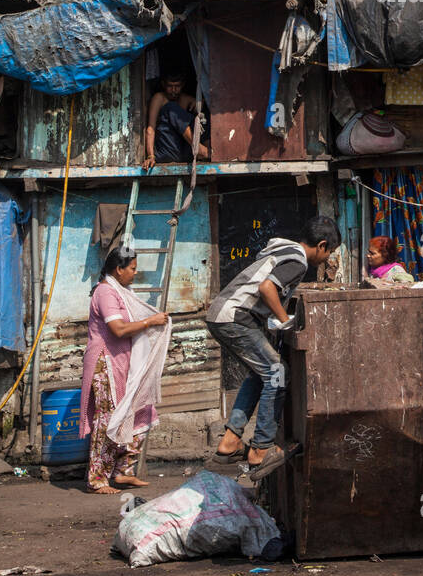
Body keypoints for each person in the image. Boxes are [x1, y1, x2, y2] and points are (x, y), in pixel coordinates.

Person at [205, 216, 340, 481]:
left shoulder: (281, 249)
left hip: (223, 314)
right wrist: (284, 319)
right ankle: (261, 448)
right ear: (322, 245)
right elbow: (267, 288)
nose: (326, 260)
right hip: (236, 317)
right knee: (278, 373)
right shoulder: (298, 261)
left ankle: (230, 441)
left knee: (261, 374)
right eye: (330, 253)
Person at [78, 244, 171, 494]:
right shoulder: (106, 293)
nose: (135, 273)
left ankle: (123, 472)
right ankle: (96, 479)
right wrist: (150, 321)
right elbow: (118, 329)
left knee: (139, 410)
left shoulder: (121, 291)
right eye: (132, 269)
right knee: (107, 419)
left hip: (122, 363)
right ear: (118, 270)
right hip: (104, 362)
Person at [144, 72, 209, 168]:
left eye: (177, 86)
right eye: (170, 86)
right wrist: (150, 156)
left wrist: (201, 103)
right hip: (166, 150)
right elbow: (150, 129)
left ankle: (206, 150)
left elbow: (202, 109)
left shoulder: (185, 99)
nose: (173, 90)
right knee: (171, 107)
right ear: (163, 84)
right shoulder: (159, 98)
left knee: (202, 114)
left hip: (184, 153)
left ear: (182, 85)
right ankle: (198, 148)